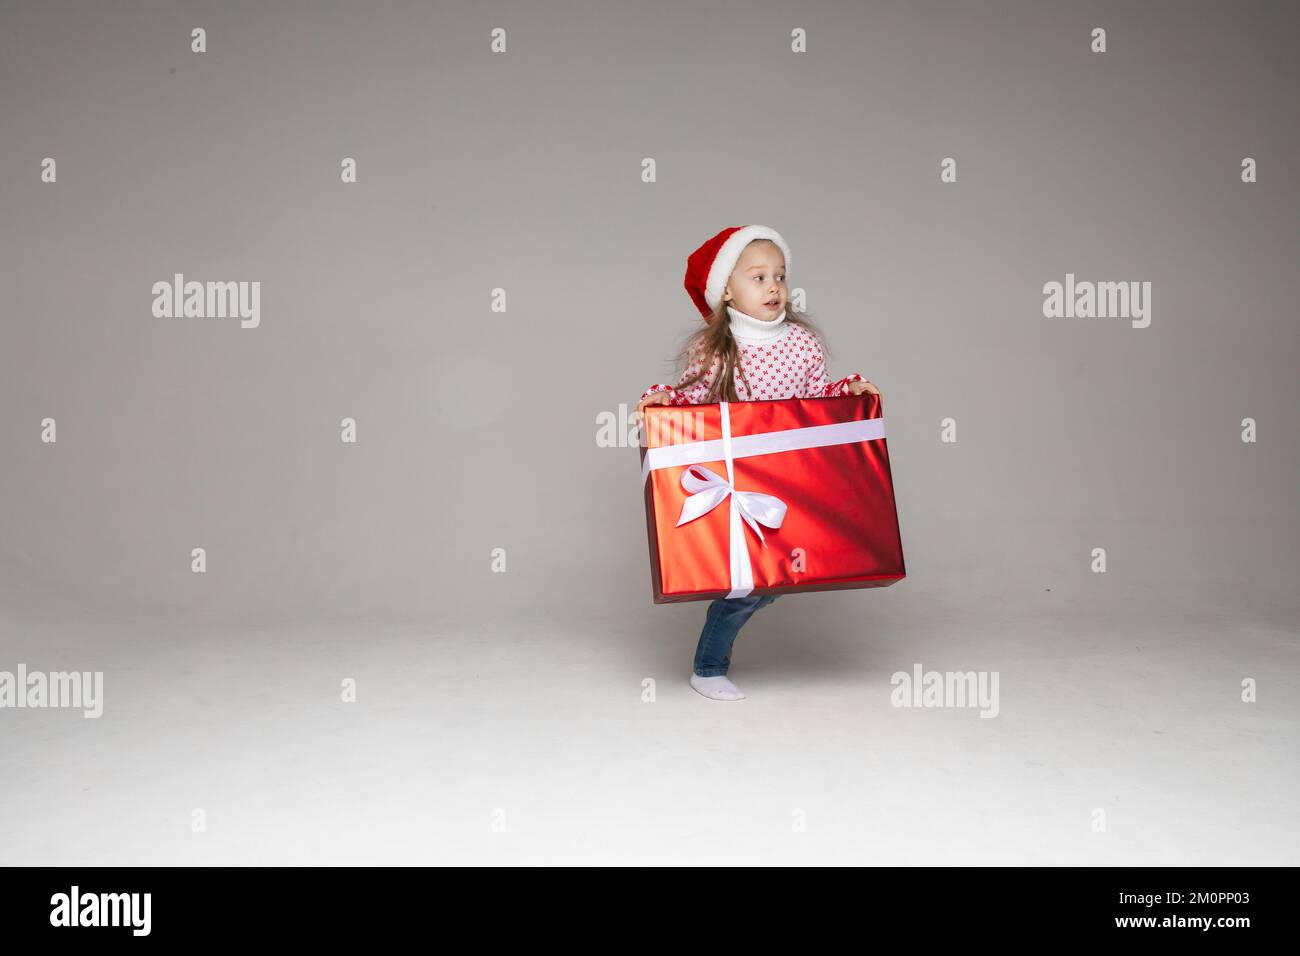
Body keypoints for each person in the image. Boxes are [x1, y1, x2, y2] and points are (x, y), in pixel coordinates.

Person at [635, 225, 880, 701]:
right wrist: (662, 401)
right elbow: (690, 405)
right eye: (758, 277)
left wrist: (846, 393)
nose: (774, 287)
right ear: (726, 289)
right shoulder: (713, 350)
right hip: (742, 483)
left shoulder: (803, 344)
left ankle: (711, 660)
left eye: (780, 277)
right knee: (752, 584)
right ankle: (708, 668)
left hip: (794, 478)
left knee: (775, 578)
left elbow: (815, 401)